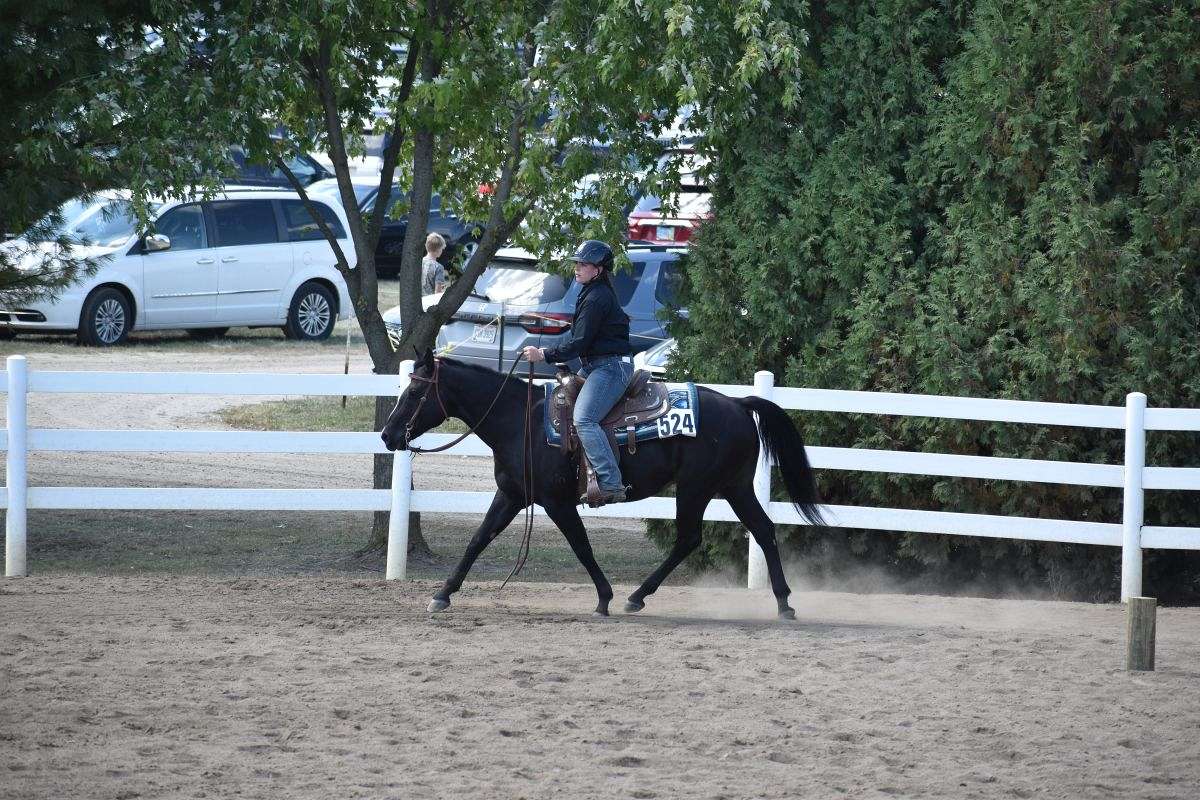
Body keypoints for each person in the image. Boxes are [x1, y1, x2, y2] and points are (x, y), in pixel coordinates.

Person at [523, 240, 633, 506]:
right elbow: (577, 338)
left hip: (610, 367)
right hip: (597, 365)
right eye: (577, 263)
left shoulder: (596, 298)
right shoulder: (591, 293)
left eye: (584, 264)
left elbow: (579, 342)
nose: (577, 268)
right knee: (561, 403)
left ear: (598, 270)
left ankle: (611, 483)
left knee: (584, 419)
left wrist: (544, 354)